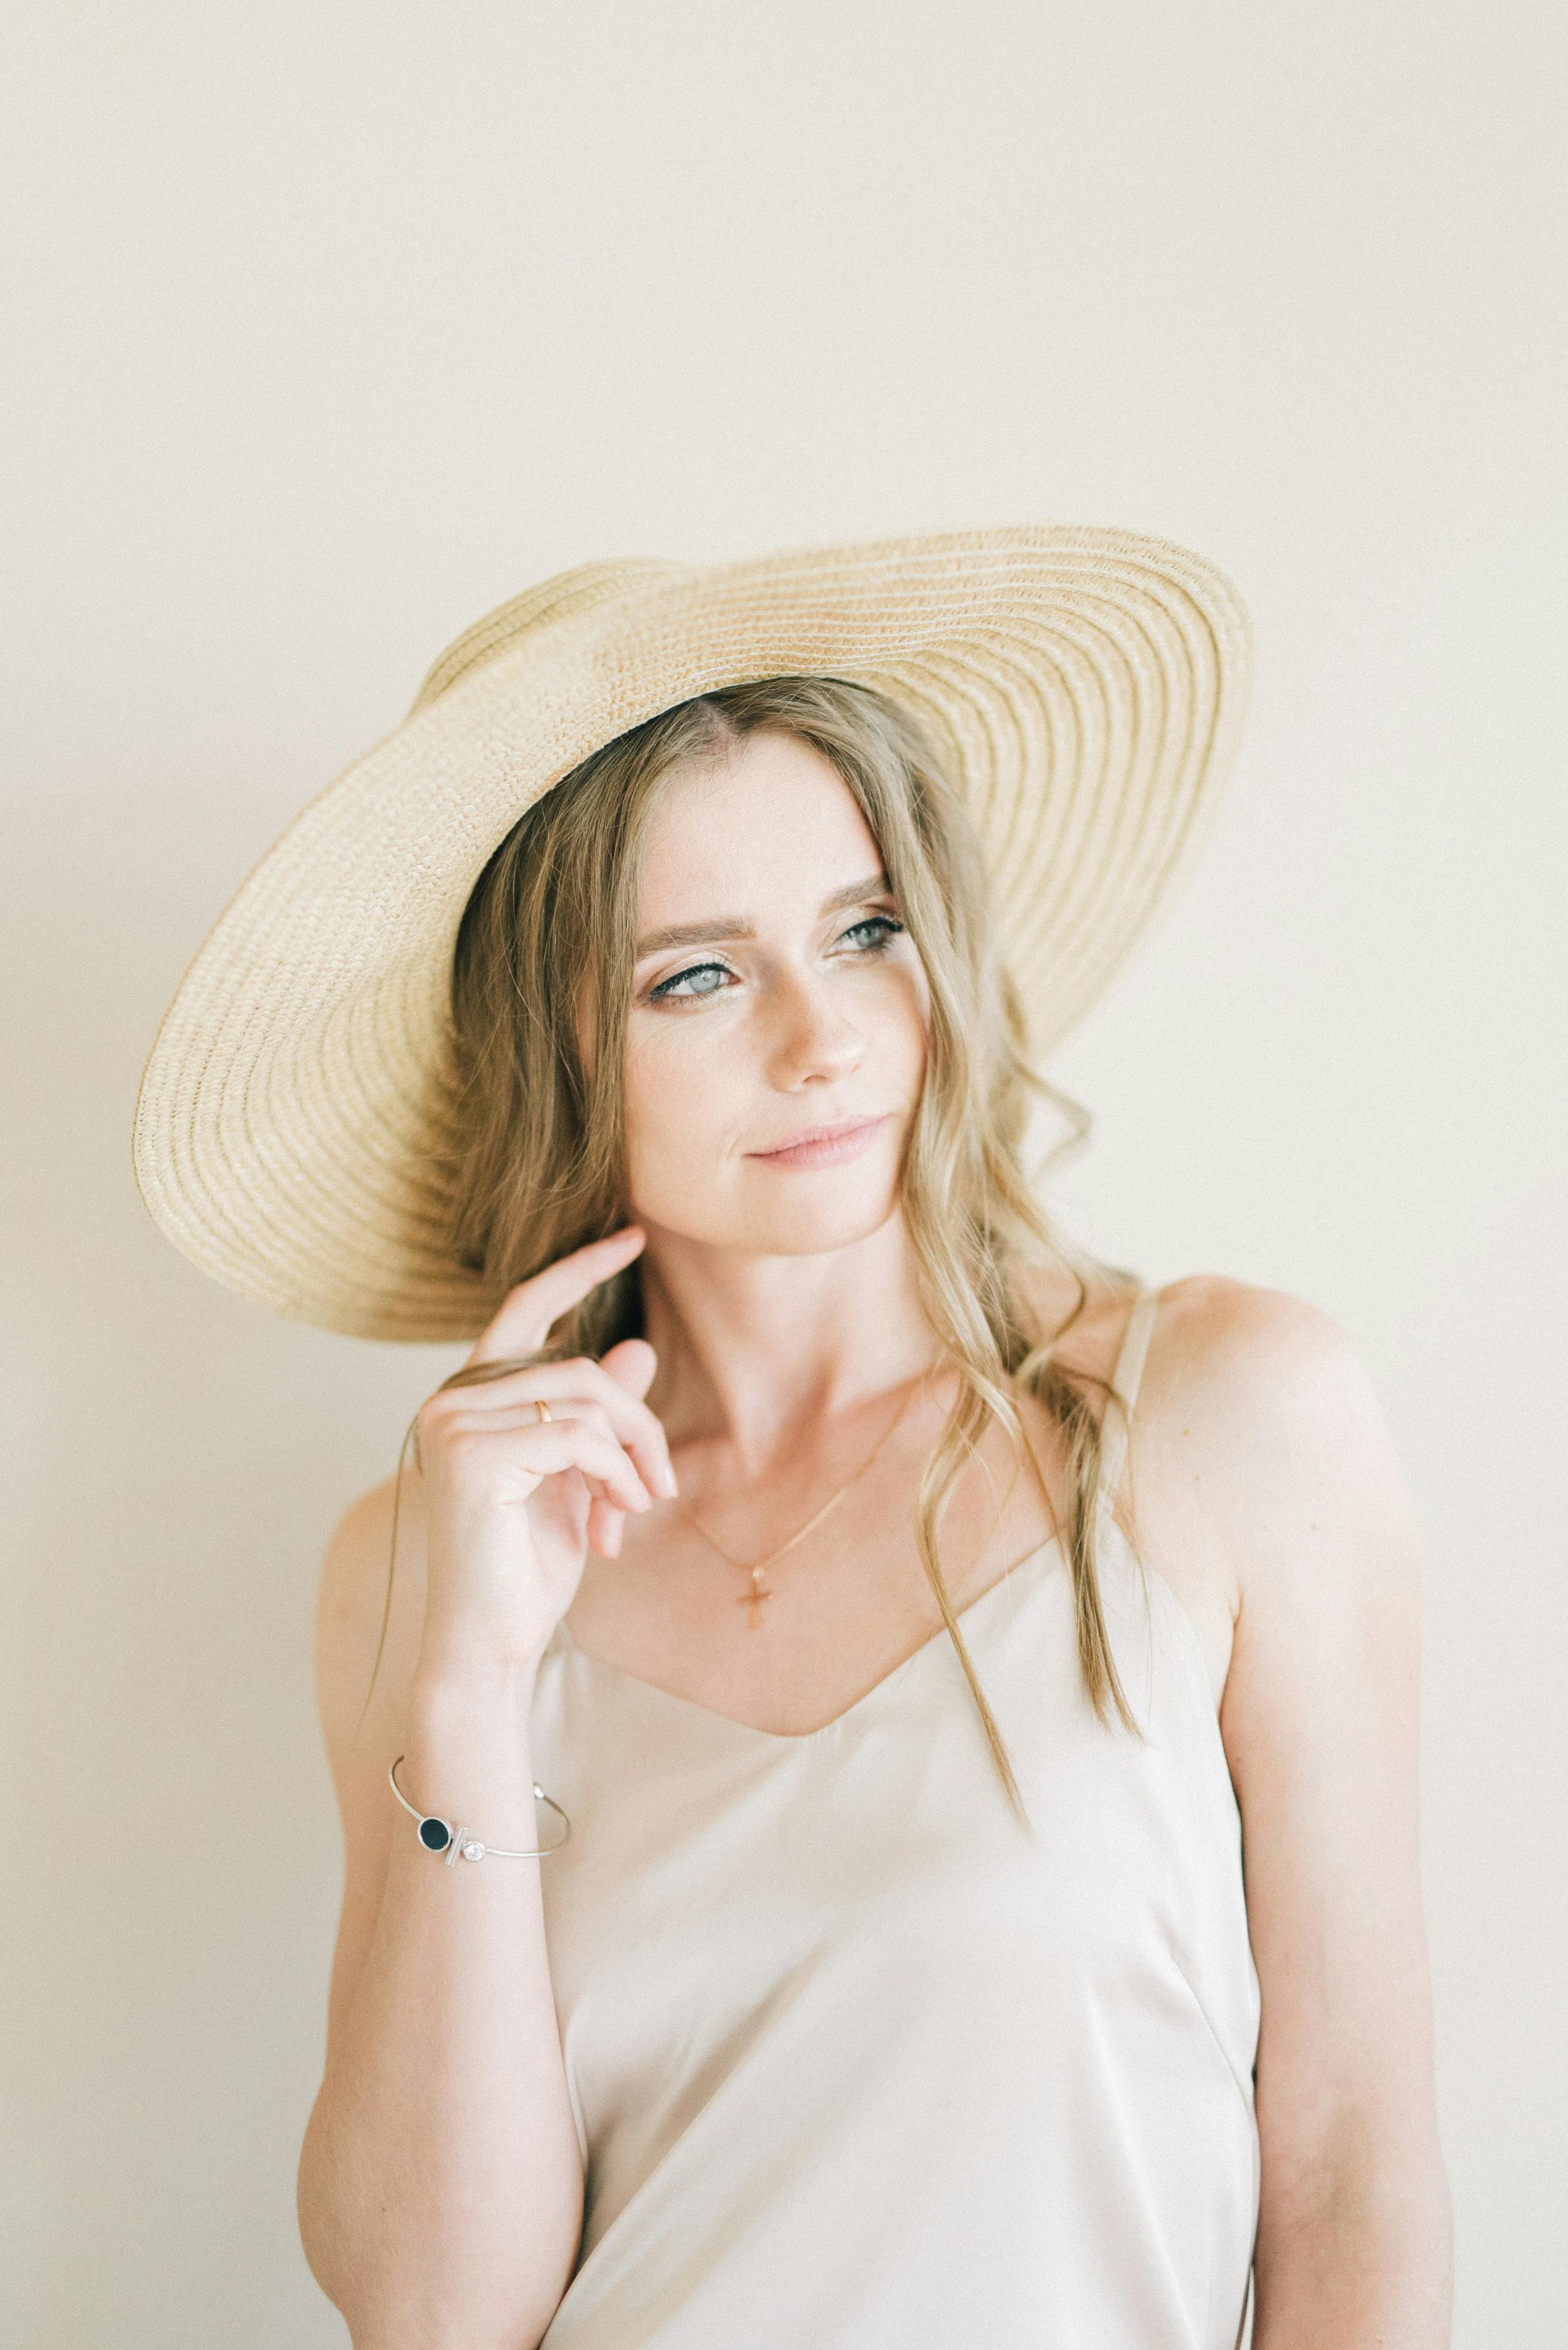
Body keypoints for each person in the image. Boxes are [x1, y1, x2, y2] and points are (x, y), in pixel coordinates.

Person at [133, 531, 1451, 2348]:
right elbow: (433, 2314)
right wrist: (468, 1681)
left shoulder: (1227, 1417)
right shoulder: (419, 1561)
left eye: (866, 931)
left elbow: (1355, 2171)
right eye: (697, 977)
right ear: (558, 1054)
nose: (825, 1040)